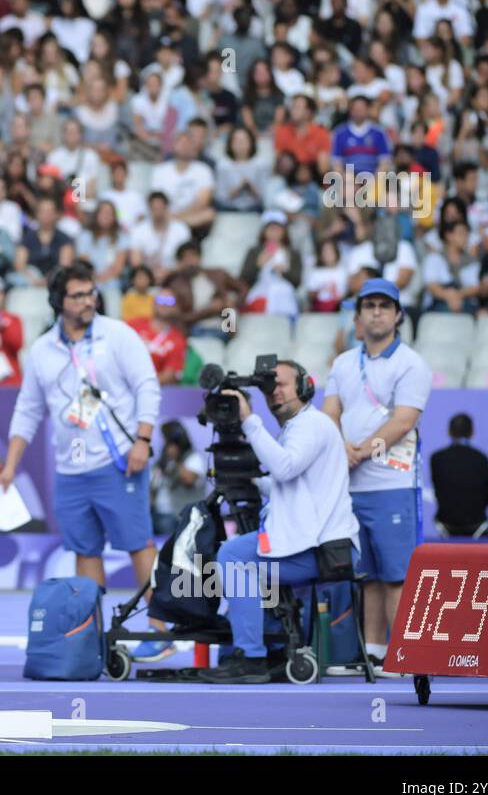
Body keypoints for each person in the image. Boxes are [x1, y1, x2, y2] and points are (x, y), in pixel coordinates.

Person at [1, 262, 161, 591]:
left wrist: (142, 439)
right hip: (70, 471)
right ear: (59, 301)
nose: (89, 301)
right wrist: (10, 465)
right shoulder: (42, 350)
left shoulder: (117, 334)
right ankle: (92, 635)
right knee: (85, 553)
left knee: (139, 545)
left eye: (91, 293)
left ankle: (162, 635)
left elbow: (148, 385)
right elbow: (28, 409)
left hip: (118, 463)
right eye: (78, 296)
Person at [199, 361, 360, 683]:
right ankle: (265, 650)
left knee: (232, 556)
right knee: (242, 556)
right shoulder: (298, 428)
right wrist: (253, 481)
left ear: (305, 386)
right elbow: (289, 485)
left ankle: (251, 657)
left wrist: (249, 421)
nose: (276, 392)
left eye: (283, 384)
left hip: (323, 551)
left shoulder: (310, 425)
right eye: (270, 387)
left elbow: (284, 468)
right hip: (317, 546)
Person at [322, 278, 432, 675]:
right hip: (351, 485)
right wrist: (342, 449)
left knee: (396, 575)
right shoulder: (343, 363)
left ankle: (402, 654)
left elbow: (403, 421)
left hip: (392, 484)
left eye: (385, 306)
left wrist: (358, 452)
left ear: (399, 314)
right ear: (358, 316)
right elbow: (330, 412)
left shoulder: (412, 364)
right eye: (369, 306)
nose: (377, 312)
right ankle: (372, 651)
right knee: (367, 575)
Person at [428, 413, 488, 537]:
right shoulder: (481, 458)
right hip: (477, 522)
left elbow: (438, 490)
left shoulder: (437, 458)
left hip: (445, 521)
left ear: (449, 431)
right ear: (472, 432)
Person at [150, 420, 208, 537]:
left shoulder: (193, 458)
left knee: (163, 524)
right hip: (157, 512)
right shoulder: (162, 462)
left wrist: (176, 461)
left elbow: (189, 479)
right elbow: (152, 486)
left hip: (178, 516)